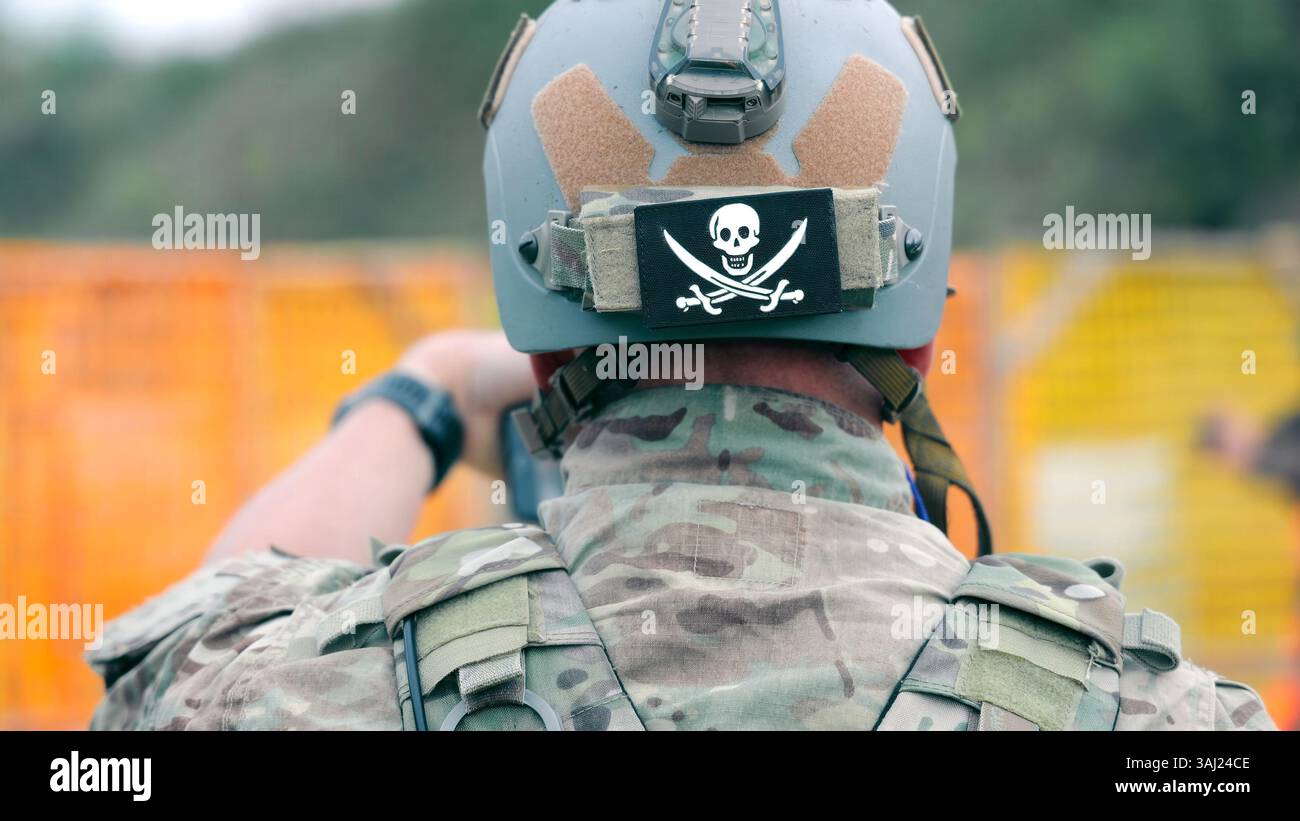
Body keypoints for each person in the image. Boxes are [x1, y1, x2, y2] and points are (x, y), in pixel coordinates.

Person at [87, 0, 1274, 731]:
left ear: (539, 336)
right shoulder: (1154, 715)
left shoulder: (323, 689)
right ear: (914, 332)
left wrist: (418, 400)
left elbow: (176, 662)